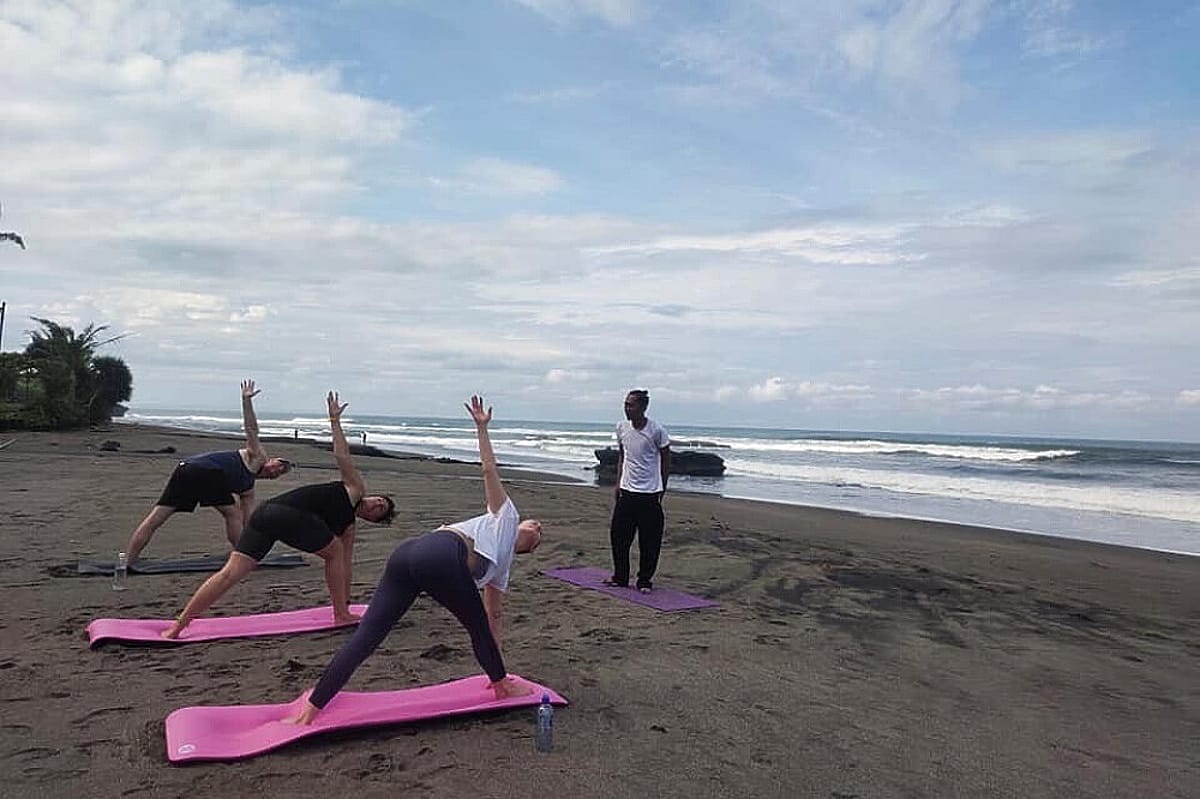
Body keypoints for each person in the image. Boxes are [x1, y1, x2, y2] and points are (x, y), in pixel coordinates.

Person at [286, 395, 543, 724]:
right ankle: (501, 687)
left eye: (540, 535)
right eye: (537, 524)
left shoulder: (501, 567)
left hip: (410, 556)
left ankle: (311, 710)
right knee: (372, 635)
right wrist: (482, 428)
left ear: (530, 546)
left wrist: (498, 664)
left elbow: (494, 619)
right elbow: (488, 469)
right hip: (435, 553)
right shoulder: (505, 516)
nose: (538, 527)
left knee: (371, 635)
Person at [161, 391, 396, 639]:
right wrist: (335, 422)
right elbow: (341, 456)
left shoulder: (347, 527)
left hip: (267, 516)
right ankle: (178, 625)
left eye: (379, 511)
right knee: (231, 572)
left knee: (239, 572)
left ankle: (177, 629)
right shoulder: (355, 489)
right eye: (378, 501)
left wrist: (347, 598)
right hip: (275, 515)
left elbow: (345, 566)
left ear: (371, 519)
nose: (374, 505)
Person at [124, 379, 292, 564]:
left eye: (280, 472)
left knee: (159, 517)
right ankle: (242, 558)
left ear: (273, 477)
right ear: (270, 461)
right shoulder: (256, 457)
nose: (277, 469)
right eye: (278, 464)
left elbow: (248, 520)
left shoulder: (247, 490)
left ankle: (129, 561)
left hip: (186, 469)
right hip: (200, 470)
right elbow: (252, 429)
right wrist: (246, 401)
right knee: (230, 513)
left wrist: (255, 538)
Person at [606, 389, 671, 593]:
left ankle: (644, 580)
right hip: (627, 491)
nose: (627, 409)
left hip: (649, 494)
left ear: (643, 407)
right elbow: (622, 456)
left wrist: (663, 487)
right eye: (625, 404)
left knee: (649, 540)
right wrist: (618, 483)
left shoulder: (656, 431)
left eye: (631, 405)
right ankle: (621, 576)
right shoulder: (622, 428)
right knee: (619, 536)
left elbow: (666, 460)